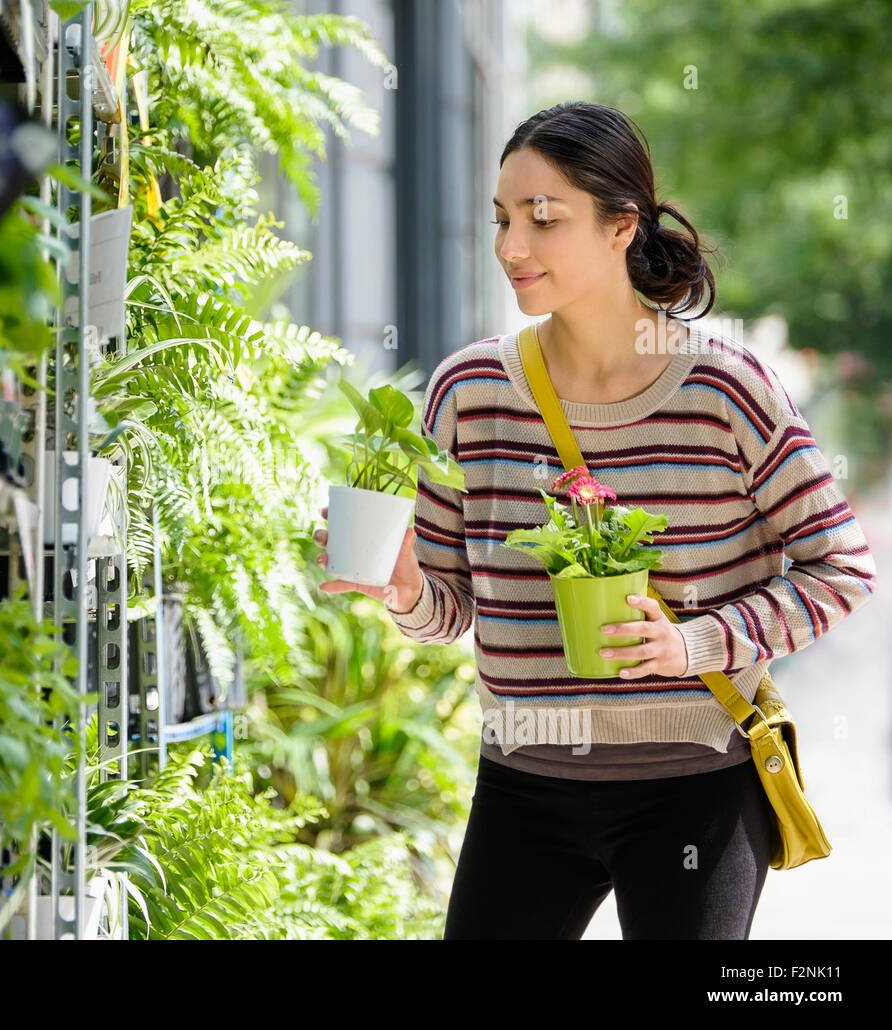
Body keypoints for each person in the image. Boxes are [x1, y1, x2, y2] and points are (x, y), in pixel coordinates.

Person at [313, 101, 878, 940]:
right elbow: (450, 610)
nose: (511, 246)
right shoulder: (469, 392)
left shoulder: (724, 389)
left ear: (622, 225)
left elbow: (843, 569)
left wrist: (694, 643)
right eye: (503, 218)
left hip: (697, 786)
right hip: (524, 786)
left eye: (543, 219)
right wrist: (403, 592)